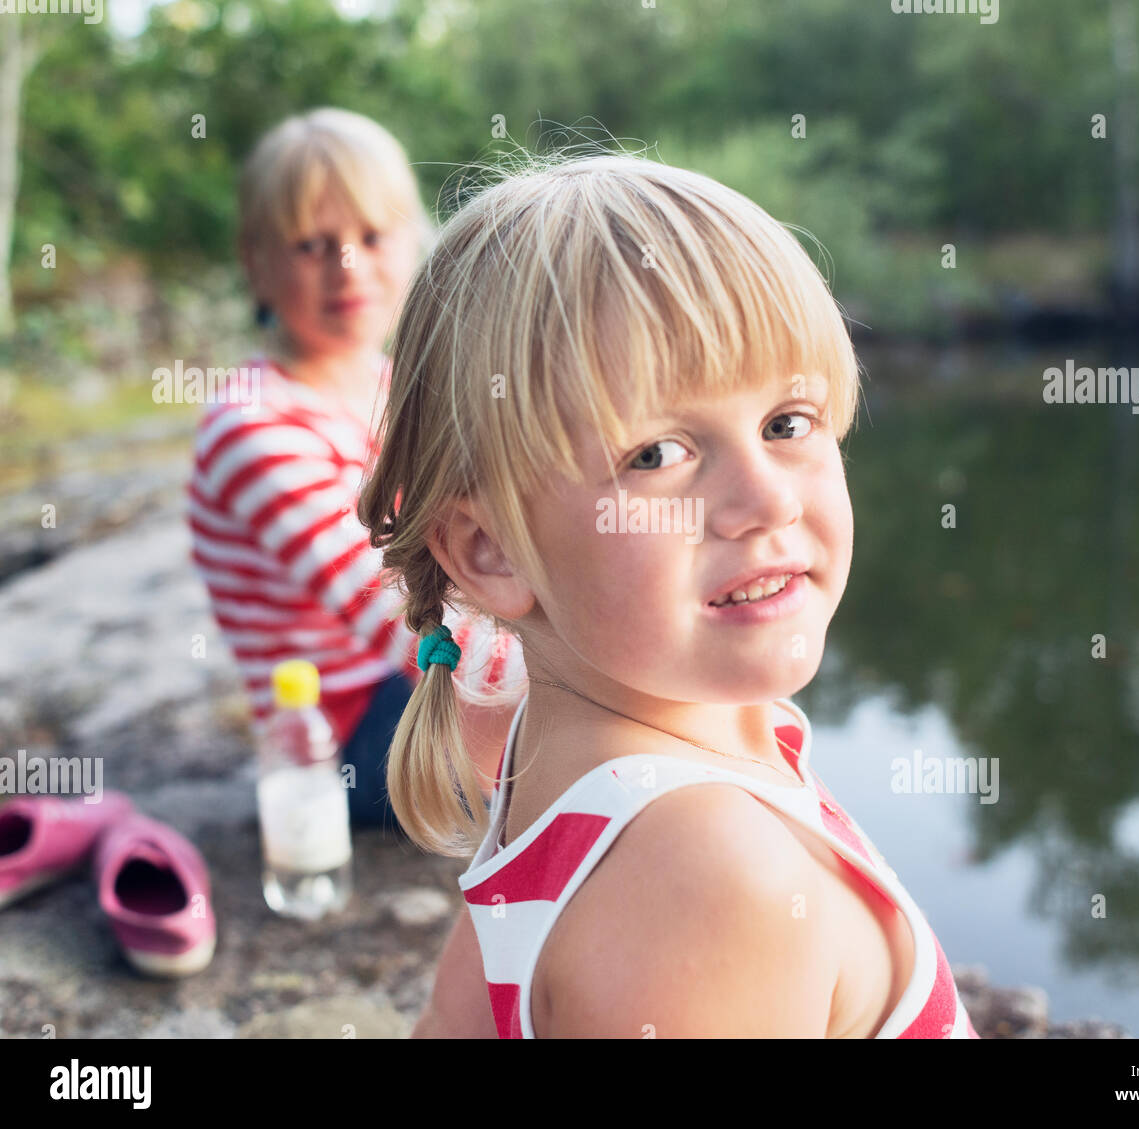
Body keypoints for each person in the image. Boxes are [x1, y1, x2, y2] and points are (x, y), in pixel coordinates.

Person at [355, 143, 982, 1039]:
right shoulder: (715, 879)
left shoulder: (556, 757)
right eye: (655, 455)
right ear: (491, 549)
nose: (766, 498)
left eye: (786, 423)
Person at [187, 109, 527, 838]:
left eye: (372, 237)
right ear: (257, 262)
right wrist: (593, 688)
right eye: (312, 245)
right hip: (357, 734)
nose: (348, 267)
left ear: (411, 241)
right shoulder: (254, 427)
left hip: (427, 671)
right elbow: (405, 618)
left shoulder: (393, 382)